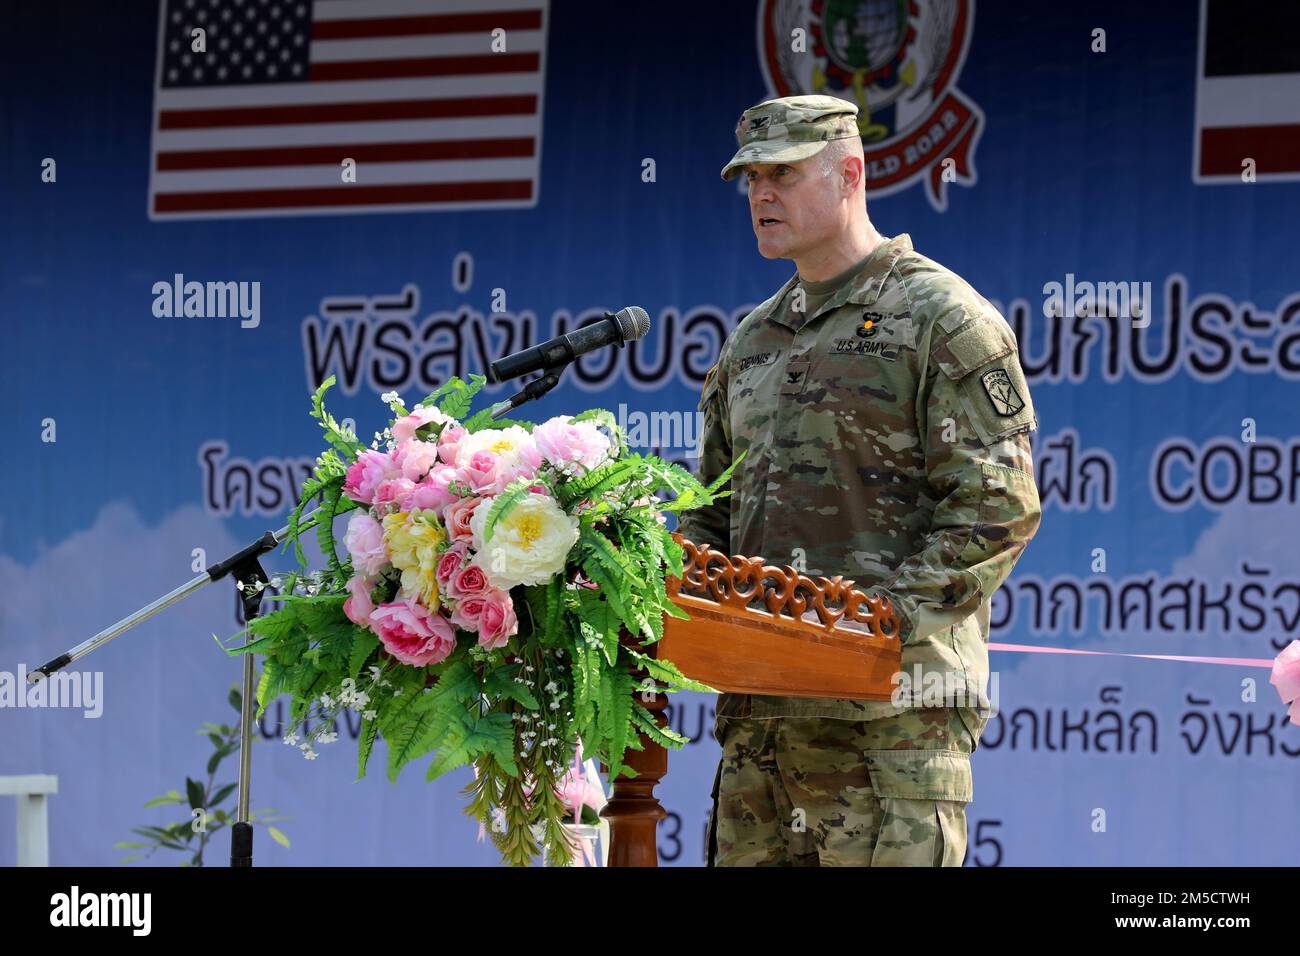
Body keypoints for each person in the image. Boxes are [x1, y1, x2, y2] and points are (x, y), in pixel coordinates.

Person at [676, 94, 1043, 866]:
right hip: (761, 730)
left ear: (849, 174)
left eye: (783, 174)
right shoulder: (751, 341)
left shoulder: (940, 316)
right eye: (751, 179)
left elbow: (995, 507)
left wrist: (872, 630)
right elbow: (708, 513)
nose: (762, 195)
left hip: (888, 730)